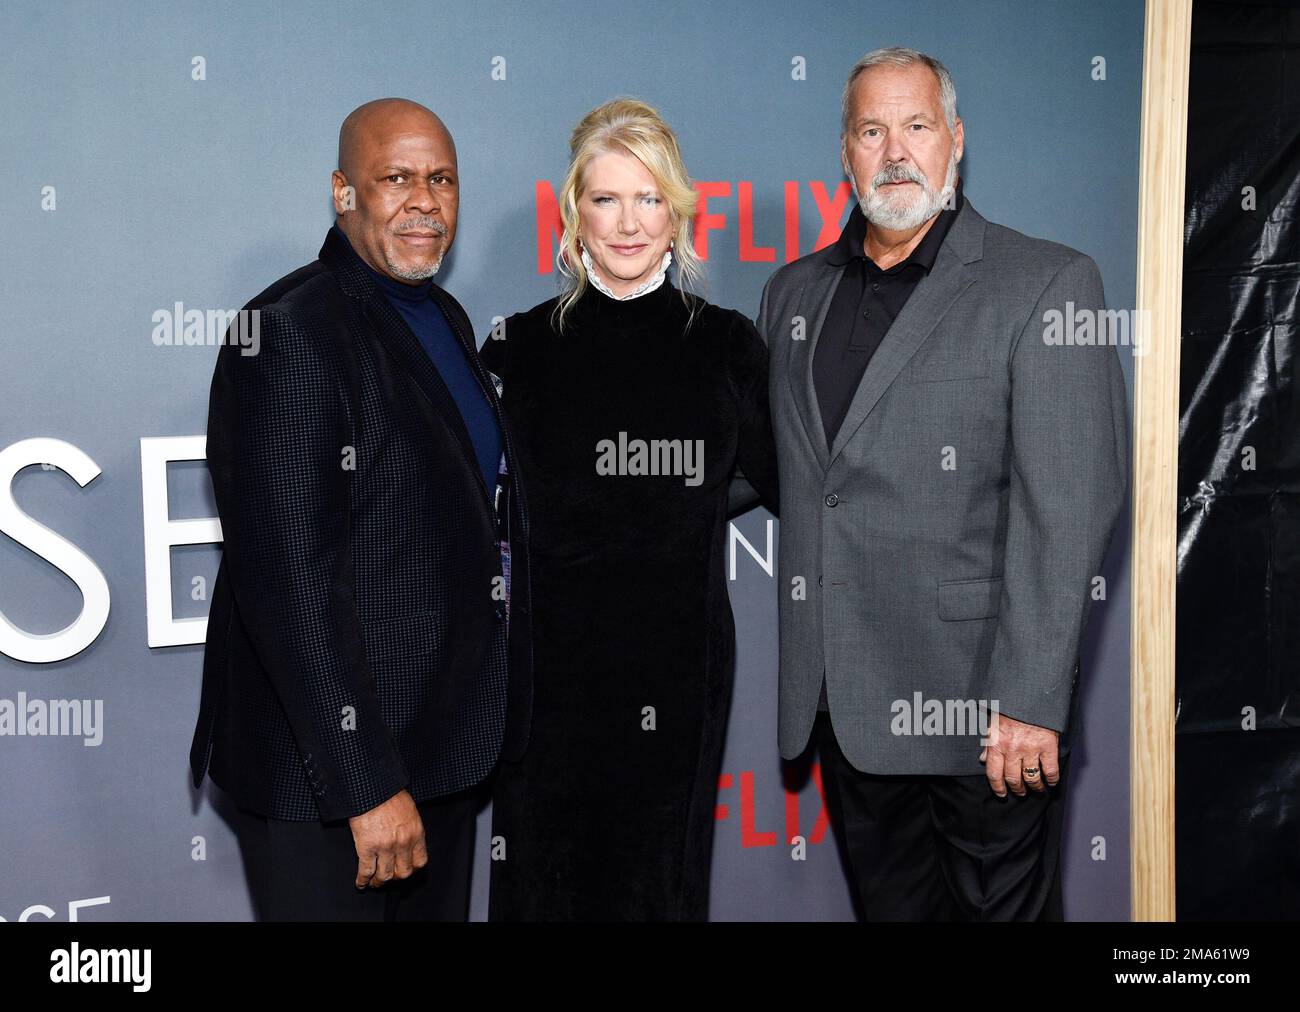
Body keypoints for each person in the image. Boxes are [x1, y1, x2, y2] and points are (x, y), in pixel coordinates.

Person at [759, 48, 1128, 920]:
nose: (895, 152)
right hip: (846, 707)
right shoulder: (792, 294)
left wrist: (1031, 701)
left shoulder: (1046, 283)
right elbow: (777, 467)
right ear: (844, 152)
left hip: (983, 717)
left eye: (917, 126)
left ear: (955, 140)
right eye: (872, 131)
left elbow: (1069, 506)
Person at [188, 98, 533, 921]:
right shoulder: (287, 333)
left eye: (441, 179)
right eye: (396, 178)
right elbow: (289, 585)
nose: (424, 201)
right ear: (344, 192)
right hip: (334, 784)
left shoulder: (441, 315)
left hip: (442, 756)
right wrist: (367, 786)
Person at [481, 97, 779, 921]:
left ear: (677, 212)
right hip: (545, 677)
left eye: (649, 198)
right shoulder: (516, 348)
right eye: (606, 198)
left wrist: (683, 507)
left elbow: (782, 476)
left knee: (659, 890)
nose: (628, 222)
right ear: (574, 211)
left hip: (675, 671)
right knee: (541, 889)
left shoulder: (725, 345)